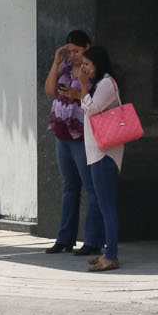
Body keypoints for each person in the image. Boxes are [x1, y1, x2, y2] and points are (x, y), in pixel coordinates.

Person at [42, 27, 104, 255]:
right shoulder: (66, 66)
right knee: (70, 187)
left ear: (87, 47)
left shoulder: (93, 70)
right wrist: (56, 62)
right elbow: (49, 89)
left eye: (76, 51)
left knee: (91, 187)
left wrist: (76, 94)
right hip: (62, 134)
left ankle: (93, 240)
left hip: (82, 135)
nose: (73, 55)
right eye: (69, 51)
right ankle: (65, 238)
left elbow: (96, 101)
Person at [75, 44, 123, 272]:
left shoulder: (105, 84)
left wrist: (82, 85)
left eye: (87, 64)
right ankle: (108, 252)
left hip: (104, 153)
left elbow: (91, 109)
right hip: (98, 152)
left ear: (98, 64)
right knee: (105, 207)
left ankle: (111, 256)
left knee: (107, 207)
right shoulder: (100, 84)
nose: (83, 68)